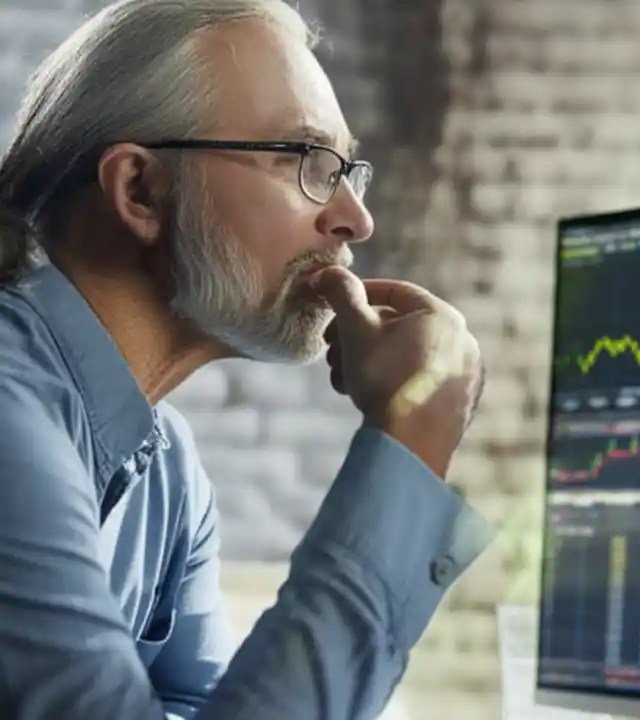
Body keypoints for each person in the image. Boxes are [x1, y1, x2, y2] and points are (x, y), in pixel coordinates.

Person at [0, 0, 492, 717]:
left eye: (349, 170)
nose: (356, 218)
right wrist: (411, 439)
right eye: (307, 160)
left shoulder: (167, 471)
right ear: (140, 189)